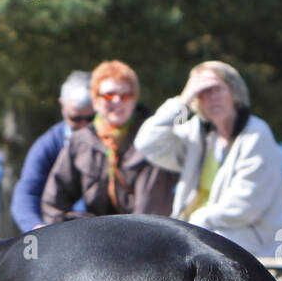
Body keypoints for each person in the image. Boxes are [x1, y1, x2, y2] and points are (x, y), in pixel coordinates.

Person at [133, 60, 282, 258]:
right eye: (203, 92)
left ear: (234, 91)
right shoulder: (199, 132)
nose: (211, 97)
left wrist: (195, 222)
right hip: (197, 233)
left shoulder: (256, 133)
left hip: (247, 240)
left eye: (216, 89)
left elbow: (246, 206)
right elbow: (147, 143)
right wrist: (182, 101)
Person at [39, 60, 177, 221]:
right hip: (96, 237)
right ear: (95, 101)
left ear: (134, 99)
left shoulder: (153, 140)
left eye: (125, 95)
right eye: (109, 95)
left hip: (142, 237)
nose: (117, 101)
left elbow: (152, 217)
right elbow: (53, 204)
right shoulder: (82, 141)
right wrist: (82, 228)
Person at [10, 71, 94, 233]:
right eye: (76, 118)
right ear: (63, 106)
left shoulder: (112, 142)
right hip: (59, 233)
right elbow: (26, 194)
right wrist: (37, 228)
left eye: (91, 118)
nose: (84, 125)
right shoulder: (47, 145)